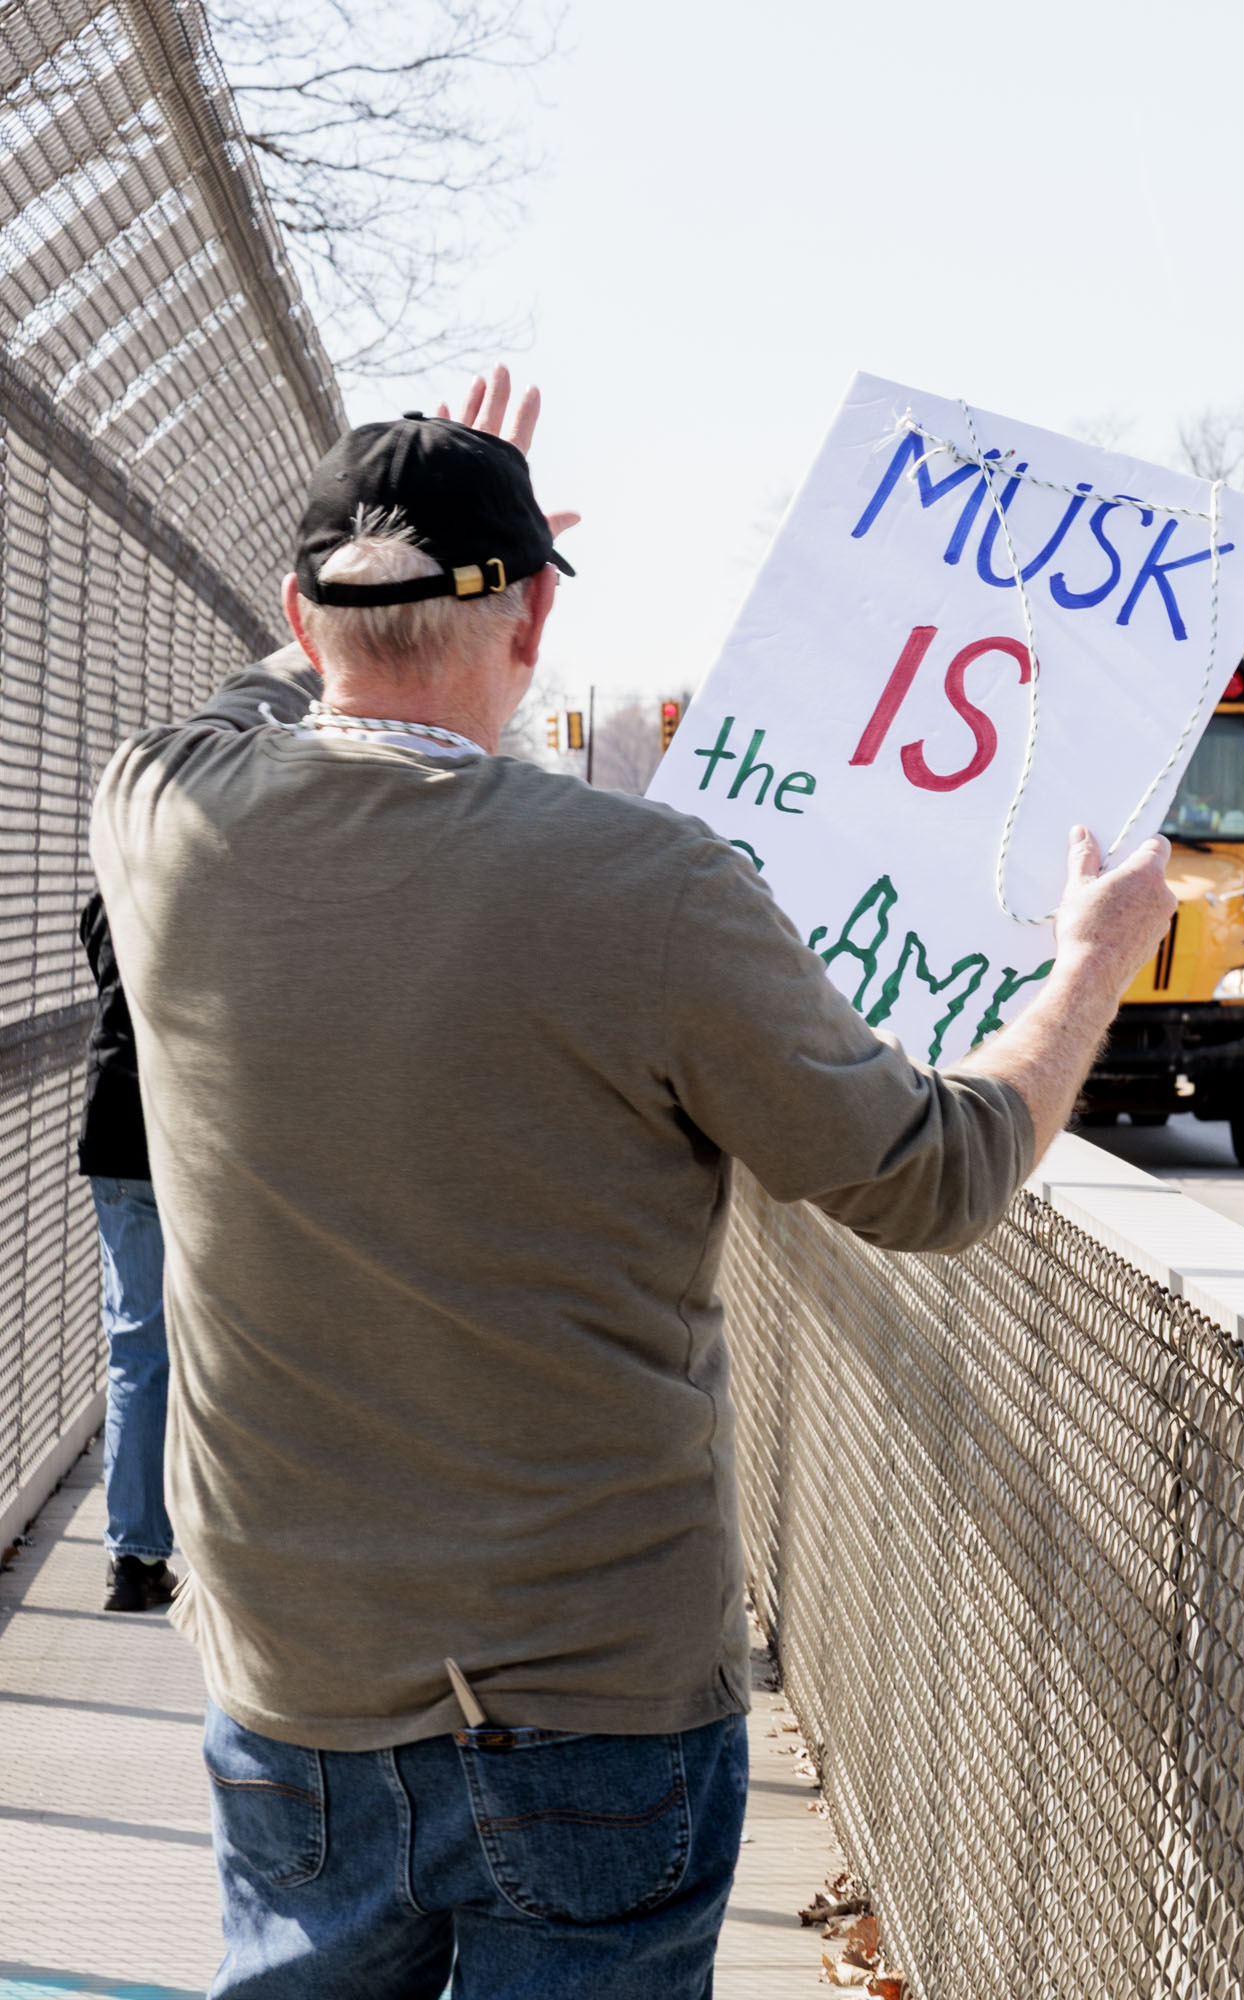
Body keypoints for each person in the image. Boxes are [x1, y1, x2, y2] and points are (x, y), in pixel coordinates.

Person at [90, 371, 1174, 1997]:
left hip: (292, 1685)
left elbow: (256, 700)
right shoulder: (654, 888)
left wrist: (377, 571)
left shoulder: (162, 819)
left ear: (299, 616)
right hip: (595, 1701)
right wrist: (1088, 974)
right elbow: (933, 1177)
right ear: (533, 625)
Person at [74, 644, 321, 1614]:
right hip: (206, 1138)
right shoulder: (244, 892)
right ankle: (234, 1544)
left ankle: (134, 1553)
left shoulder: (117, 890)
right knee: (233, 1338)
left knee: (138, 1342)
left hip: (117, 1131)